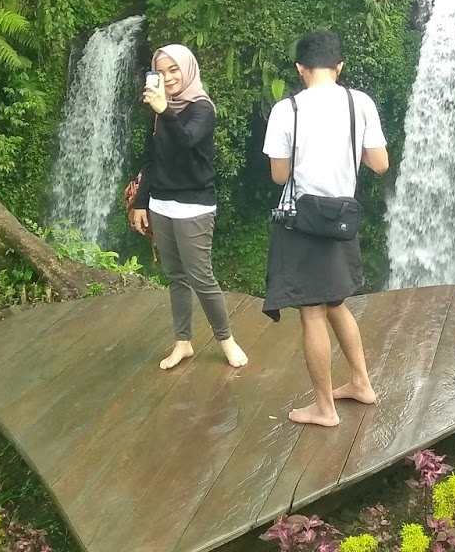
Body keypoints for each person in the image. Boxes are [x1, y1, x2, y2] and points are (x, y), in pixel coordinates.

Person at [261, 29, 389, 427]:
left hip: (303, 222)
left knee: (313, 312)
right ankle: (361, 383)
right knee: (335, 304)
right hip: (342, 219)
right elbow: (380, 164)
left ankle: (324, 408)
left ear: (300, 68)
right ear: (339, 67)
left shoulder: (287, 110)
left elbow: (279, 175)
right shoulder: (359, 103)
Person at [129, 44, 249, 372]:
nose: (168, 78)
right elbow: (151, 159)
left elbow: (186, 140)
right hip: (160, 204)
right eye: (161, 71)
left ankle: (226, 339)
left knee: (201, 277)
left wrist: (164, 109)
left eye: (174, 70)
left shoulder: (202, 108)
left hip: (194, 206)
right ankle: (183, 341)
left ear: (188, 70)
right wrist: (141, 202)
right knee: (175, 277)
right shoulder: (158, 110)